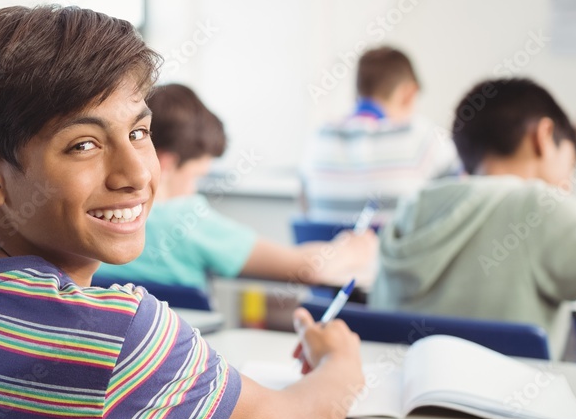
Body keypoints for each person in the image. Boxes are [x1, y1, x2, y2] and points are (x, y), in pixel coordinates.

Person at [0, 4, 564, 419]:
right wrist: (342, 360)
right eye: (85, 145)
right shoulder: (121, 331)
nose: (137, 171)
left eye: (138, 131)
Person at [369, 78, 576, 360]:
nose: (568, 184)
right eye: (571, 164)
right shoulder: (541, 206)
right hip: (512, 401)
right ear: (544, 136)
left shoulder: (414, 206)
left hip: (402, 400)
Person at [95, 83, 377, 293]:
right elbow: (309, 268)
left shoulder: (99, 224)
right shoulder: (185, 218)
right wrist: (352, 248)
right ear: (167, 164)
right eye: (195, 176)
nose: (194, 190)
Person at [300, 46, 460, 223]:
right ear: (409, 93)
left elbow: (305, 207)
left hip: (325, 249)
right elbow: (460, 201)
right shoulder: (422, 136)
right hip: (395, 250)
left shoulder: (319, 138)